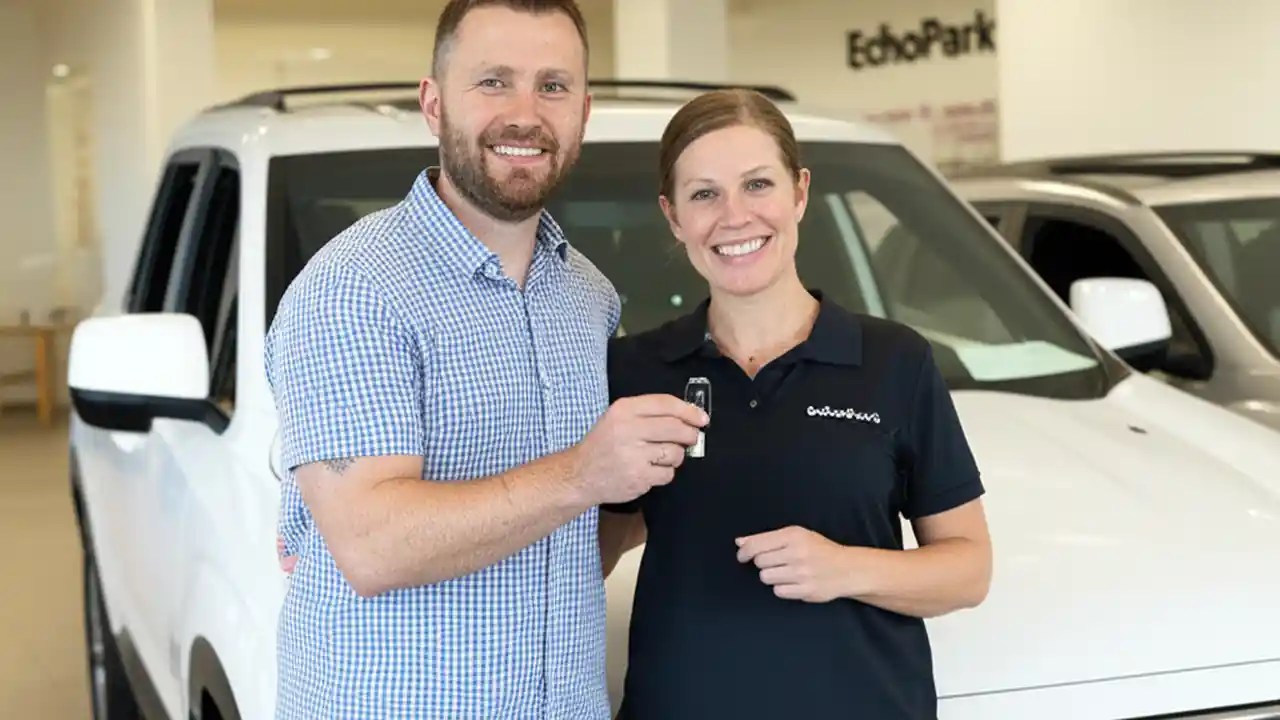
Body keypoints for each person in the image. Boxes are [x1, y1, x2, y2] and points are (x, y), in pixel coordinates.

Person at [263, 1, 706, 717]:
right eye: (494, 81)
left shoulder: (588, 296)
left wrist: (689, 480)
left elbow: (575, 543)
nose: (525, 114)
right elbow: (373, 546)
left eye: (553, 86)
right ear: (434, 104)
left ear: (583, 112)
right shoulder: (353, 288)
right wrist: (584, 473)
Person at [598, 89, 994, 720]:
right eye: (704, 194)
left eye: (757, 184)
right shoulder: (635, 370)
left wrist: (843, 569)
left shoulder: (893, 362)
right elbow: (588, 553)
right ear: (673, 216)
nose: (734, 217)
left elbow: (968, 570)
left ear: (799, 193)